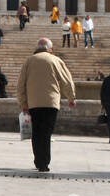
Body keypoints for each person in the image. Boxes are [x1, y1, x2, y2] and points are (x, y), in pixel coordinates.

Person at [16, 37, 76, 172]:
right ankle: (45, 163)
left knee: (36, 132)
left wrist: (23, 103)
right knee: (46, 133)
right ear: (50, 49)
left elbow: (21, 85)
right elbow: (67, 81)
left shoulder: (29, 61)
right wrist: (71, 98)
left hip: (34, 103)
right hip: (51, 102)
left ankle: (38, 160)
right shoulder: (56, 60)